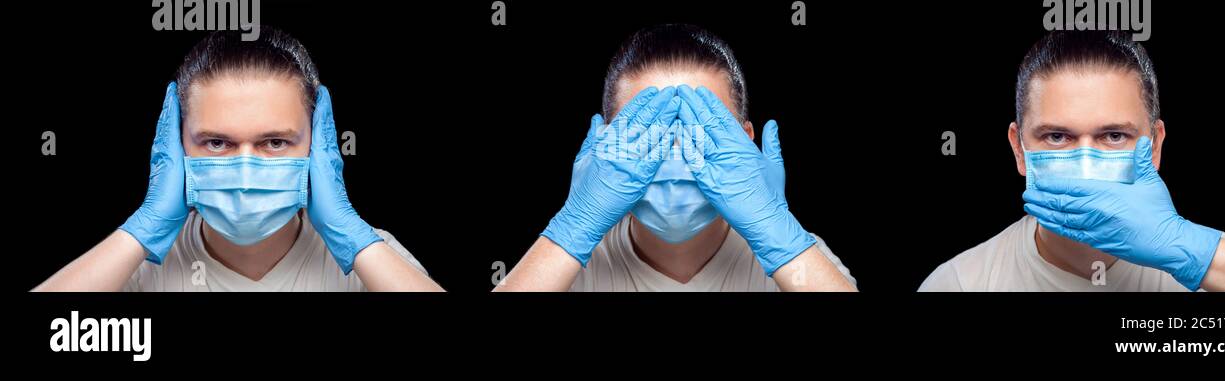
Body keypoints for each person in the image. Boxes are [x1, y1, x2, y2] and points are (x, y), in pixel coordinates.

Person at [34, 28, 441, 292]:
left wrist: (352, 237)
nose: (245, 171)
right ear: (176, 148)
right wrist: (142, 232)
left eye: (275, 142)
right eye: (216, 143)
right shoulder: (133, 267)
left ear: (318, 148)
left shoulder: (373, 259)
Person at [496, 24, 856, 291]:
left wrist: (775, 231)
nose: (675, 156)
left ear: (746, 143)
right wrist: (573, 227)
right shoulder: (566, 268)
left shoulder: (800, 261)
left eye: (700, 130)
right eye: (650, 133)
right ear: (604, 145)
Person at [920, 31, 1225, 292]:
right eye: (1057, 137)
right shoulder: (960, 284)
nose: (1086, 166)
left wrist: (1185, 251)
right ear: (1019, 150)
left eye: (1113, 136)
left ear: (1154, 147)